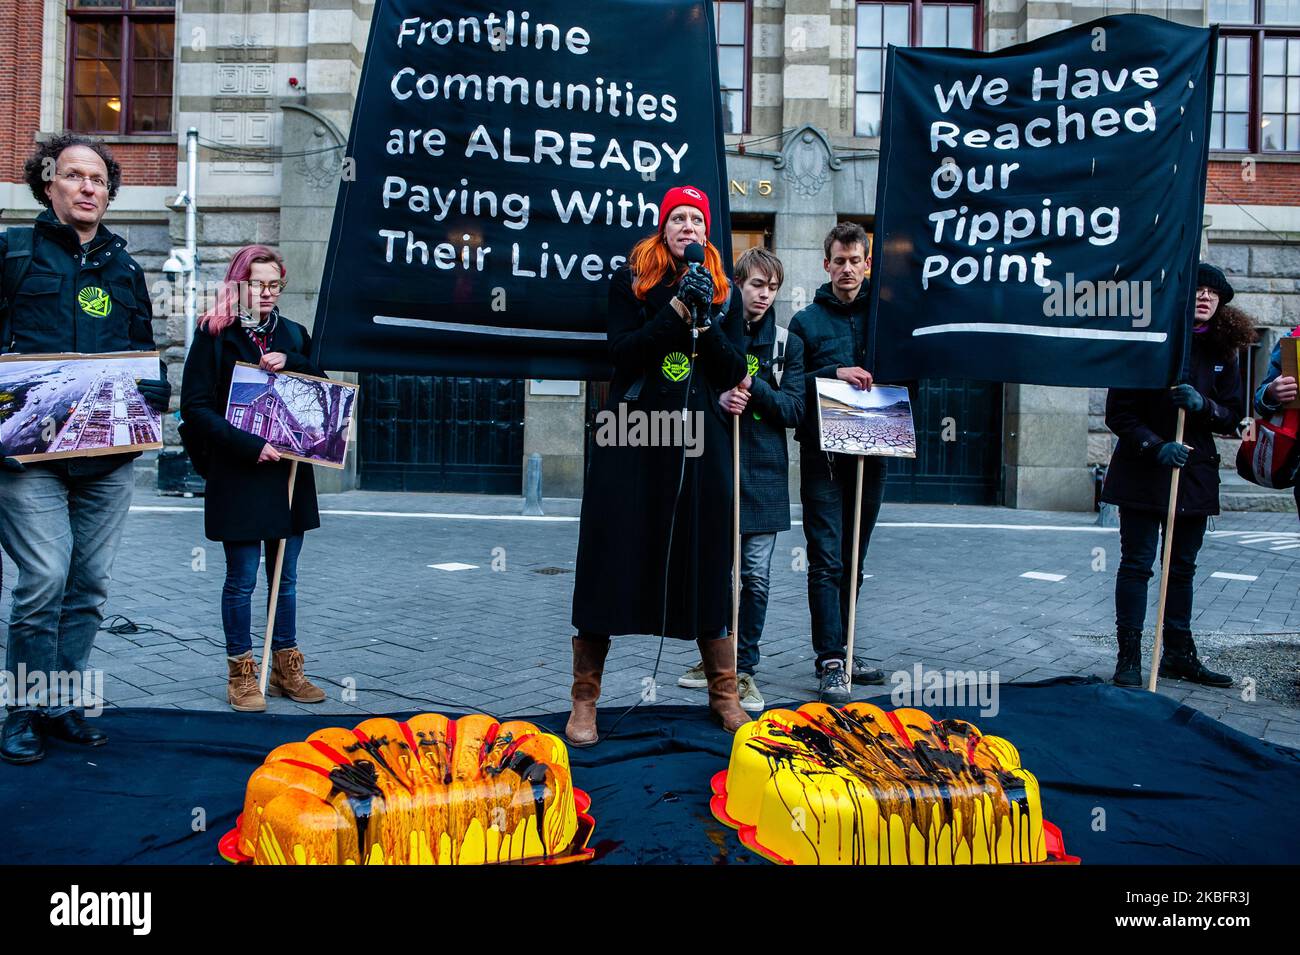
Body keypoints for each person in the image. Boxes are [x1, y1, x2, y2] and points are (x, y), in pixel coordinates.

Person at [0, 134, 171, 764]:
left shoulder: (125, 267)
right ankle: (21, 711)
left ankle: (62, 702)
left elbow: (142, 349)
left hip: (107, 460)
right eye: (74, 176)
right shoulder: (12, 251)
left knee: (89, 585)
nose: (88, 187)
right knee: (44, 578)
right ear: (48, 184)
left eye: (98, 179)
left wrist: (156, 392)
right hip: (28, 460)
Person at [567, 185, 751, 744]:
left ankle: (725, 692)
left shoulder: (725, 294)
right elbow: (623, 354)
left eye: (696, 219)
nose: (688, 226)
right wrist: (673, 310)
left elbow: (732, 368)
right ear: (663, 227)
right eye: (678, 218)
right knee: (610, 556)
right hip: (633, 436)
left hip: (700, 441)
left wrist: (706, 319)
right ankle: (585, 701)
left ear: (706, 231)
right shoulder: (630, 281)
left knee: (705, 556)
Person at [180, 245, 326, 712]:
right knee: (241, 579)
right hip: (239, 473)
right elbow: (194, 408)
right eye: (256, 284)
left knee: (286, 579)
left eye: (274, 284)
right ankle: (242, 672)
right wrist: (248, 445)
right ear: (238, 284)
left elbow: (325, 395)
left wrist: (297, 363)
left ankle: (286, 668)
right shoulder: (214, 334)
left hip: (288, 477)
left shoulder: (295, 333)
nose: (265, 293)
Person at [1100, 263, 1255, 688]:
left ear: (1222, 302)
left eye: (1214, 293)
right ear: (1183, 297)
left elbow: (1235, 418)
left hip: (1195, 475)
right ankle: (1129, 657)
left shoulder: (1225, 351)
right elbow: (1120, 414)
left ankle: (1179, 655)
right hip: (1143, 472)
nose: (1206, 297)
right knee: (1137, 565)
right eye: (1198, 290)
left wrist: (1203, 405)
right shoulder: (1146, 342)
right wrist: (1154, 444)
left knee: (1181, 568)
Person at [676, 247, 804, 712]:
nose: (764, 295)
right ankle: (714, 662)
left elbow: (795, 410)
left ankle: (743, 667)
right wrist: (721, 398)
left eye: (772, 288)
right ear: (739, 285)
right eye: (756, 285)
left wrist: (755, 387)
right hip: (719, 468)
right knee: (717, 574)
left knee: (756, 577)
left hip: (765, 474)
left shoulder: (788, 343)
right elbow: (694, 395)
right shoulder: (715, 335)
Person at [788, 222, 888, 704]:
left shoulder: (887, 319)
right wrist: (835, 373)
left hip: (872, 453)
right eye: (839, 261)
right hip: (822, 457)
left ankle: (846, 650)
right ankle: (829, 660)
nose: (847, 269)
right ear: (825, 265)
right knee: (826, 559)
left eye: (855, 260)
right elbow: (791, 386)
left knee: (855, 559)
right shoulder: (805, 323)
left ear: (868, 263)